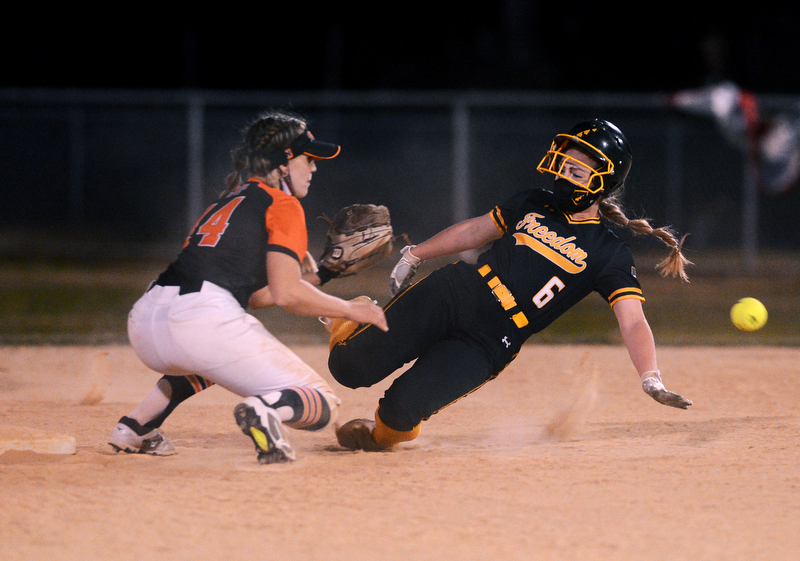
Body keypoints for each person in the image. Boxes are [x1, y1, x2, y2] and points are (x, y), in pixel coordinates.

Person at [328, 118, 693, 451]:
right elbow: (475, 230)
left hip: (492, 339)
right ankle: (349, 317)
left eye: (577, 171)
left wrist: (651, 378)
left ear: (603, 182)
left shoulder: (609, 253)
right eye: (564, 165)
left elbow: (632, 321)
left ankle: (378, 433)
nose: (565, 175)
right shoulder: (534, 202)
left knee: (400, 414)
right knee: (349, 368)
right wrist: (416, 254)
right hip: (455, 292)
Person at [108, 110, 388, 464]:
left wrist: (327, 272)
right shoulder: (283, 204)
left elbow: (259, 296)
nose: (314, 168)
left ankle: (135, 427)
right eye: (308, 159)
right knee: (319, 403)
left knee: (208, 363)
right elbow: (287, 295)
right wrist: (349, 309)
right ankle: (264, 412)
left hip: (147, 323)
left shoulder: (227, 201)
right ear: (284, 163)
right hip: (201, 322)